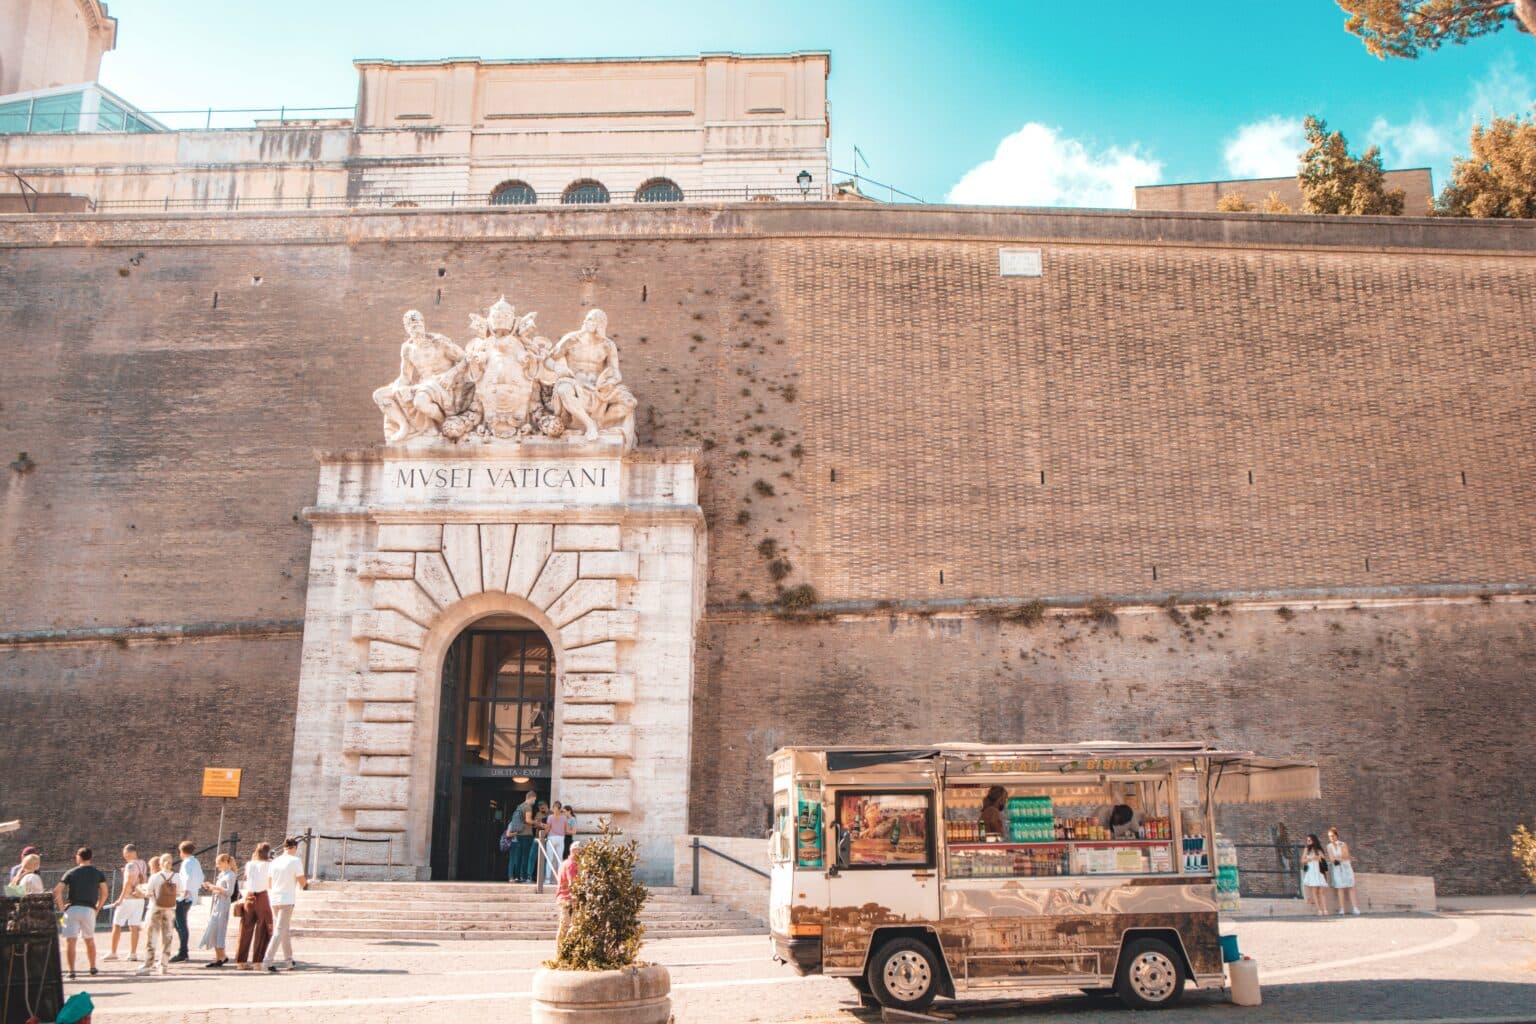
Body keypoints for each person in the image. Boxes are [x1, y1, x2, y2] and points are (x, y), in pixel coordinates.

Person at [54, 846, 108, 981]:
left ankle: (72, 971)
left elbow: (57, 891)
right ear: (91, 858)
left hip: (72, 909)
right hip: (89, 909)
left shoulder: (71, 872)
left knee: (70, 942)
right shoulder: (98, 873)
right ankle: (93, 967)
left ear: (79, 857)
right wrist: (98, 907)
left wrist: (62, 908)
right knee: (89, 940)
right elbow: (105, 892)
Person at [263, 838, 308, 973]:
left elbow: (269, 882)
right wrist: (305, 885)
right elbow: (302, 881)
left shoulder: (275, 861)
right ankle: (267, 961)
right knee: (280, 930)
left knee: (284, 930)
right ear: (294, 847)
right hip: (287, 899)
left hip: (274, 898)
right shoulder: (295, 861)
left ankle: (289, 960)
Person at [234, 843, 274, 971]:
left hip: (249, 895)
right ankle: (257, 961)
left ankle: (241, 960)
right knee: (262, 928)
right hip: (262, 895)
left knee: (245, 927)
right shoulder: (269, 865)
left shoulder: (250, 864)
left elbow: (246, 879)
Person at [138, 853, 179, 976]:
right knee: (167, 937)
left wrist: (141, 889)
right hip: (170, 909)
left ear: (160, 864)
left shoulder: (155, 877)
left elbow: (148, 893)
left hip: (155, 908)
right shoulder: (177, 876)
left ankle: (148, 964)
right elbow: (181, 892)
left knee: (152, 937)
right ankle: (164, 965)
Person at [105, 844, 148, 962]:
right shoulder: (143, 863)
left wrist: (120, 898)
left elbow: (128, 883)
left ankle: (113, 952)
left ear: (129, 853)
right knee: (134, 926)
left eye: (125, 854)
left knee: (117, 924)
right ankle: (133, 953)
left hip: (128, 899)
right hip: (140, 898)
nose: (124, 857)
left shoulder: (130, 865)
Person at [199, 853, 239, 967]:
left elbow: (229, 892)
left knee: (219, 930)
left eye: (219, 863)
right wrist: (210, 887)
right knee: (213, 929)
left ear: (226, 863)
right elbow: (219, 890)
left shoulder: (231, 875)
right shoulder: (222, 874)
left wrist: (214, 887)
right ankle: (220, 956)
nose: (217, 866)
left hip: (223, 905)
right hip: (217, 904)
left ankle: (220, 957)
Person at [172, 839, 203, 963]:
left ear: (182, 851)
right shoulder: (196, 862)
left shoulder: (186, 863)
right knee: (180, 923)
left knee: (180, 924)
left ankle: (183, 952)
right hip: (190, 897)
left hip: (183, 897)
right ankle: (183, 950)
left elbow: (186, 878)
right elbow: (200, 877)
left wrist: (185, 891)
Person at [1327, 826, 1361, 915]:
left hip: (1346, 867)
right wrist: (1338, 858)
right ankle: (1342, 909)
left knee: (1351, 887)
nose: (1331, 838)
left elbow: (1346, 856)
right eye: (1330, 836)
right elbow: (1332, 859)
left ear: (1336, 836)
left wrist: (1339, 850)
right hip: (1337, 869)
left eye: (1333, 836)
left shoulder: (1342, 844)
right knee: (1340, 888)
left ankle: (1355, 908)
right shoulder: (1329, 846)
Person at [555, 841, 583, 947]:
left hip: (564, 897)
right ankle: (561, 950)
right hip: (568, 898)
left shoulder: (565, 863)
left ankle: (563, 949)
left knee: (566, 925)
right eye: (579, 851)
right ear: (573, 851)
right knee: (568, 925)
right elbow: (572, 883)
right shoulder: (571, 864)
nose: (580, 853)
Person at [508, 790, 538, 883]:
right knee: (526, 856)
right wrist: (536, 822)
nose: (534, 801)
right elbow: (528, 820)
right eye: (534, 799)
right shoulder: (528, 807)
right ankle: (523, 877)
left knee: (519, 856)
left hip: (519, 834)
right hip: (527, 834)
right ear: (531, 797)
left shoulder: (520, 806)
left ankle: (517, 876)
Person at [1301, 833, 1331, 916]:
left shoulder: (1319, 850)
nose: (1308, 842)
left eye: (1309, 840)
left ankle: (1325, 909)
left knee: (1321, 891)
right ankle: (1319, 910)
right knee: (1314, 891)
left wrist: (1320, 858)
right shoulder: (1307, 849)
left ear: (1314, 840)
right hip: (1311, 872)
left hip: (1319, 871)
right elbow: (1302, 861)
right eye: (1307, 840)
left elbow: (1323, 861)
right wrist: (1311, 858)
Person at [544, 801, 570, 877]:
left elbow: (548, 829)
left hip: (551, 838)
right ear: (560, 808)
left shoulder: (550, 817)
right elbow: (566, 830)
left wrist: (542, 835)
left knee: (549, 859)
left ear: (553, 808)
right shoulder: (564, 818)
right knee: (560, 859)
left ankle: (548, 878)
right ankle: (560, 878)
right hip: (561, 838)